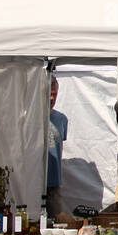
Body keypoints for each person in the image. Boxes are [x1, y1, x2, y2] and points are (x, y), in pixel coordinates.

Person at [47, 77, 68, 217]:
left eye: (54, 94)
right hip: (33, 179)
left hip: (54, 180)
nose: (51, 98)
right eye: (48, 93)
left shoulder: (62, 119)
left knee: (56, 220)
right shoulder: (30, 117)